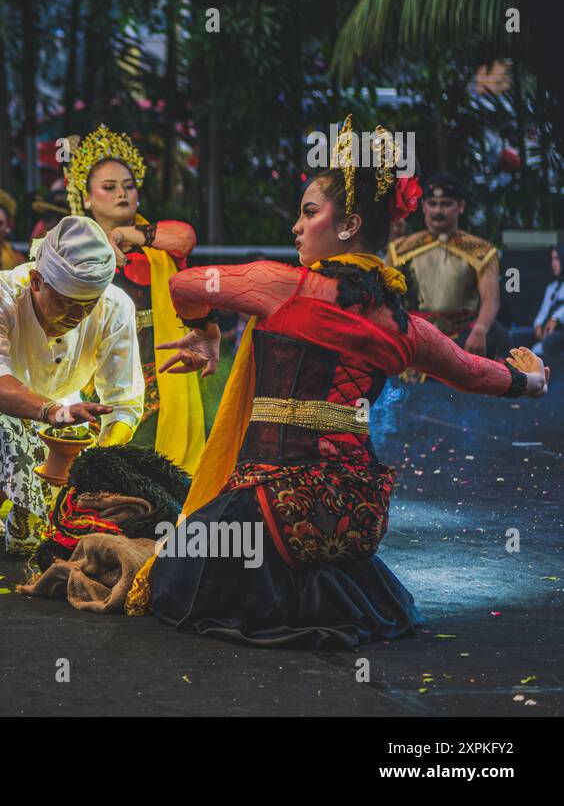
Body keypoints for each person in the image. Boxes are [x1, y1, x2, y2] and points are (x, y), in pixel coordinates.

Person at [129, 118, 549, 648]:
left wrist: (206, 330)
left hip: (270, 509)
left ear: (347, 225)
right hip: (357, 519)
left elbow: (183, 284)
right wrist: (529, 381)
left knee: (174, 570)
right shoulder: (406, 325)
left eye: (309, 212)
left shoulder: (283, 287)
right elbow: (473, 373)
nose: (297, 228)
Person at [0, 215, 146, 557]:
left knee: (31, 539)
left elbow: (124, 400)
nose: (78, 316)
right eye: (67, 303)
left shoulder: (116, 307)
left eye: (89, 305)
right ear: (37, 281)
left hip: (55, 408)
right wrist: (52, 412)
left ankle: (0, 494)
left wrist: (97, 457)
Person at [63, 124, 206, 473]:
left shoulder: (156, 245)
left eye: (128, 186)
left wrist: (125, 234)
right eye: (109, 188)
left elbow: (185, 237)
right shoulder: (70, 245)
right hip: (93, 375)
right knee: (90, 467)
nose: (121, 194)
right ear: (86, 198)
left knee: (156, 469)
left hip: (157, 376)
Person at [387, 170, 508, 357]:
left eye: (446, 204)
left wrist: (480, 329)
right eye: (432, 204)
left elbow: (490, 299)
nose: (438, 211)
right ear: (423, 207)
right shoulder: (400, 249)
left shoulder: (482, 251)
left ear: (461, 206)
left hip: (463, 334)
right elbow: (388, 299)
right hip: (415, 335)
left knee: (499, 337)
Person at [509, 243, 564, 360]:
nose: (553, 263)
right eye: (552, 259)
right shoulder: (552, 287)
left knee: (548, 343)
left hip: (559, 332)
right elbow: (543, 311)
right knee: (514, 335)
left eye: (557, 259)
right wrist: (538, 325)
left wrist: (556, 318)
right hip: (545, 331)